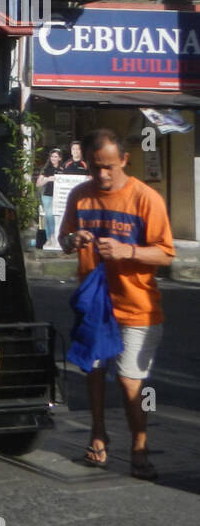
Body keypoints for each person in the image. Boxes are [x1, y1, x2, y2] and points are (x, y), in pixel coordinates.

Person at [59, 128, 173, 480]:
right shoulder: (80, 195)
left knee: (129, 382)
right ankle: (98, 434)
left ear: (124, 160)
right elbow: (63, 241)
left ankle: (139, 447)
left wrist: (129, 251)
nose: (103, 175)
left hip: (136, 306)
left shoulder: (146, 198)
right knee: (93, 373)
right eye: (95, 168)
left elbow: (166, 254)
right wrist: (73, 239)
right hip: (94, 304)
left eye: (109, 167)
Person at [34, 147, 62, 247]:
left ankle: (55, 237)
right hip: (47, 196)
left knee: (56, 217)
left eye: (56, 156)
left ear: (60, 158)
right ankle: (50, 237)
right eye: (52, 156)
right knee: (48, 216)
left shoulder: (62, 169)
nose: (54, 158)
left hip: (59, 196)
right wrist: (48, 179)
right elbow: (38, 183)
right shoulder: (46, 169)